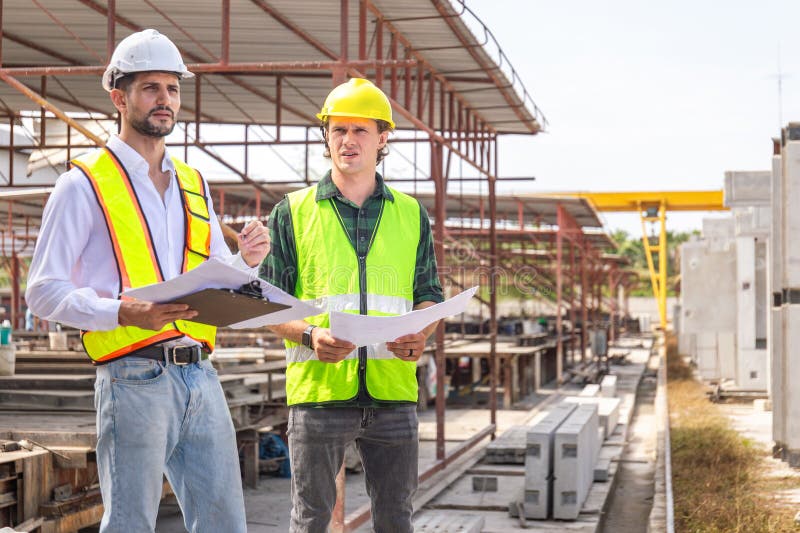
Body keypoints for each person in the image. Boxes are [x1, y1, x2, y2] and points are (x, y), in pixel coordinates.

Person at [25, 29, 270, 533]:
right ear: (119, 97)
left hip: (201, 375)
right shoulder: (82, 184)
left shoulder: (194, 183)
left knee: (226, 524)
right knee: (131, 524)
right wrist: (120, 311)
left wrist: (247, 262)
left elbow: (218, 274)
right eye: (151, 88)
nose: (166, 101)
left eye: (173, 89)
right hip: (132, 378)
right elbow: (42, 290)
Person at [261, 77, 444, 533]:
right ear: (326, 135)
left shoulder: (410, 214)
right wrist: (308, 335)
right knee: (311, 521)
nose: (348, 141)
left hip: (393, 393)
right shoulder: (293, 212)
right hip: (319, 394)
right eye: (338, 129)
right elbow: (266, 302)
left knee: (396, 519)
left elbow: (430, 296)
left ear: (383, 138)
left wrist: (421, 335)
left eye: (360, 130)